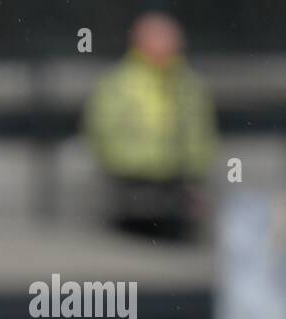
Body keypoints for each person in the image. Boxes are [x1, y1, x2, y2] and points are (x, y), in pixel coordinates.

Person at [83, 11, 218, 241]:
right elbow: (103, 132)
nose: (168, 45)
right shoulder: (119, 83)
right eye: (159, 38)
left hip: (178, 181)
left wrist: (195, 170)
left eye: (171, 39)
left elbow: (201, 133)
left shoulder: (189, 84)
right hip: (132, 180)